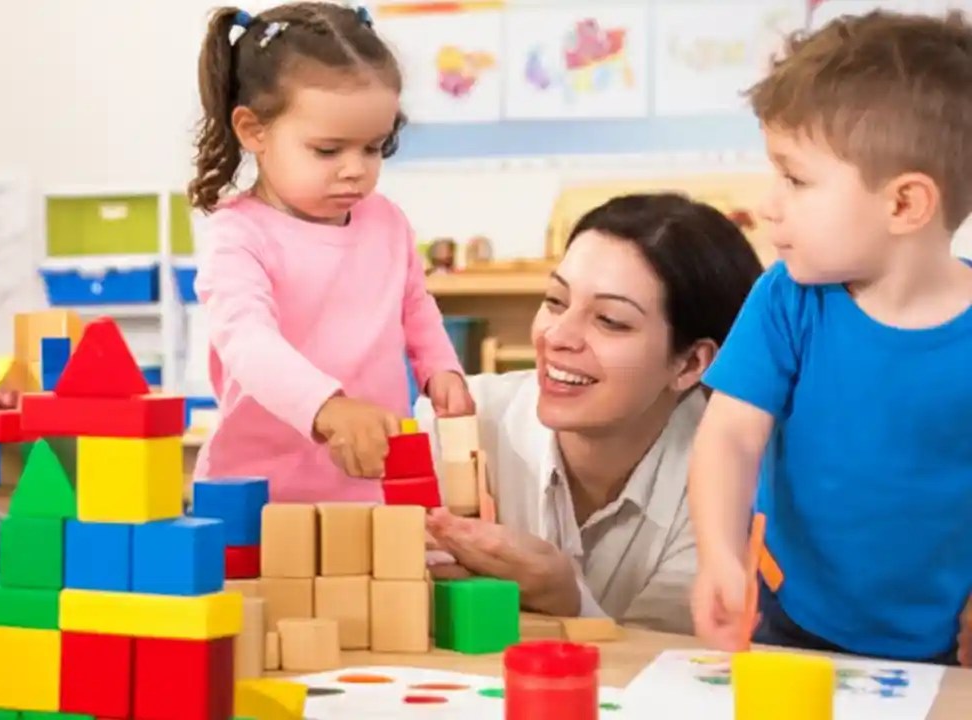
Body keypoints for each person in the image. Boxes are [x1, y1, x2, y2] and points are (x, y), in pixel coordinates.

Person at [689, 10, 972, 665]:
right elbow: (730, 436)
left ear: (904, 204)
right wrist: (720, 555)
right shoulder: (788, 298)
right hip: (791, 615)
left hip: (942, 642)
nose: (769, 203)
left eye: (796, 179)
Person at [420, 193, 764, 634]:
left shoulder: (727, 481)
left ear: (692, 363)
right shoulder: (456, 422)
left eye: (610, 320)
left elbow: (674, 667)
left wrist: (564, 598)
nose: (557, 336)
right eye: (555, 301)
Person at [189, 2, 474, 503]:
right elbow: (248, 342)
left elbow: (412, 303)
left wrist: (440, 366)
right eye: (328, 150)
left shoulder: (385, 222)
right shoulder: (238, 236)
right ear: (254, 130)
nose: (354, 170)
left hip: (370, 482)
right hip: (261, 490)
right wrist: (328, 406)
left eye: (373, 149)